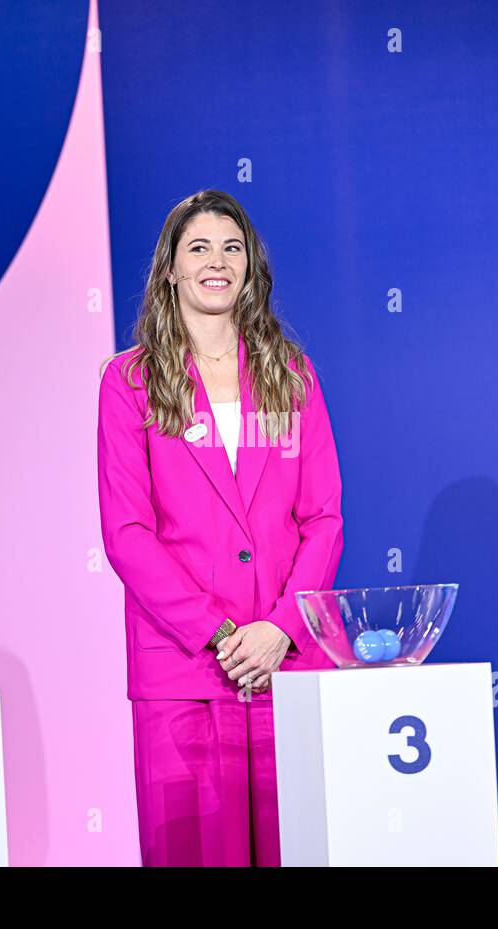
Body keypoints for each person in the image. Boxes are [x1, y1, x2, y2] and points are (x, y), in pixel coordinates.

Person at [96, 189, 343, 866]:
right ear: (170, 269)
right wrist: (220, 633)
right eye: (198, 247)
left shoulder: (292, 375)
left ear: (250, 266)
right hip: (184, 672)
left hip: (286, 667)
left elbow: (323, 519)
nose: (216, 261)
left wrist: (281, 627)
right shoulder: (130, 383)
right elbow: (127, 532)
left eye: (231, 248)